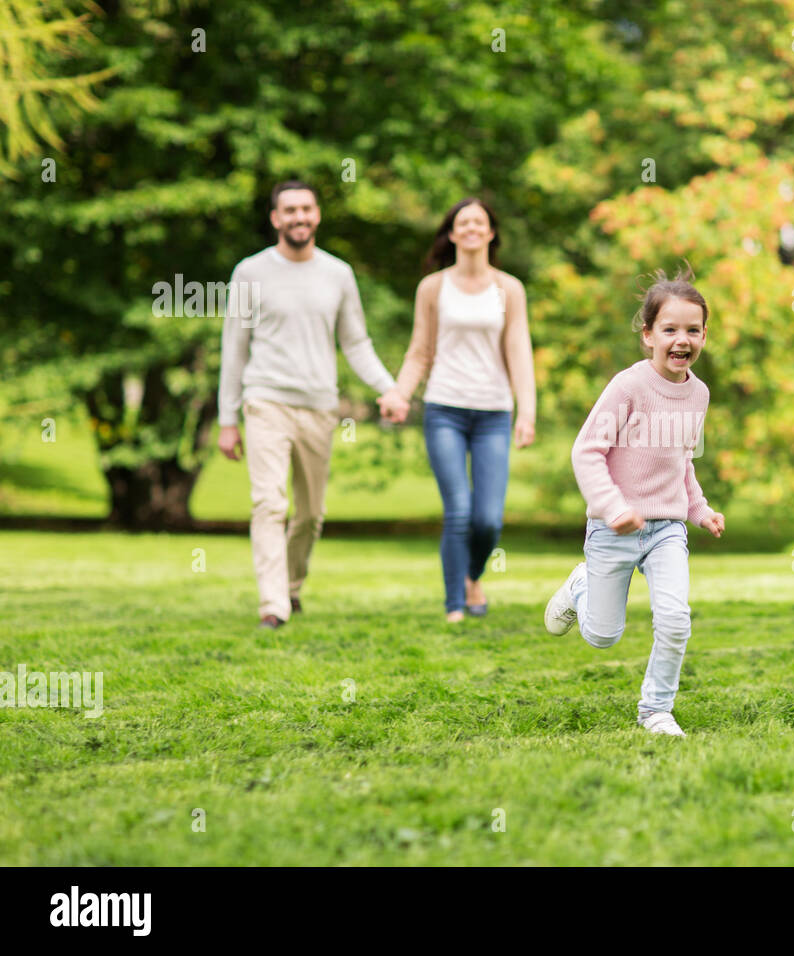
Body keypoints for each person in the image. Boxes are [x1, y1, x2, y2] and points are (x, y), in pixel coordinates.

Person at [218, 180, 409, 628]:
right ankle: (273, 606)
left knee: (309, 515)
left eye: (306, 209)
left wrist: (389, 388)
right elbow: (234, 348)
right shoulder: (250, 272)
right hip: (266, 401)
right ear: (275, 218)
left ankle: (291, 586)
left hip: (320, 407)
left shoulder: (337, 274)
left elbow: (355, 342)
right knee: (269, 504)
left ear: (317, 215)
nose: (298, 217)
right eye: (289, 210)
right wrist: (228, 419)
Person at [543, 268, 725, 736]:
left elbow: (681, 460)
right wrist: (612, 507)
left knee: (675, 617)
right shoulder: (628, 387)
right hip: (613, 528)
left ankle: (655, 710)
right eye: (669, 329)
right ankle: (581, 585)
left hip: (666, 529)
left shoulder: (699, 393)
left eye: (692, 330)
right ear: (648, 335)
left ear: (704, 335)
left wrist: (699, 509)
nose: (681, 339)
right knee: (603, 636)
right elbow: (587, 451)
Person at [383, 198, 536, 623]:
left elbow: (519, 352)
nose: (471, 228)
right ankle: (455, 605)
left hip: (493, 413)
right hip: (444, 409)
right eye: (462, 222)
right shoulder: (433, 287)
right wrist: (399, 394)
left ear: (490, 233)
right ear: (452, 234)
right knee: (459, 511)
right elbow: (420, 352)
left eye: (479, 222)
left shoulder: (509, 289)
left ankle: (472, 576)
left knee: (488, 518)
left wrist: (527, 412)